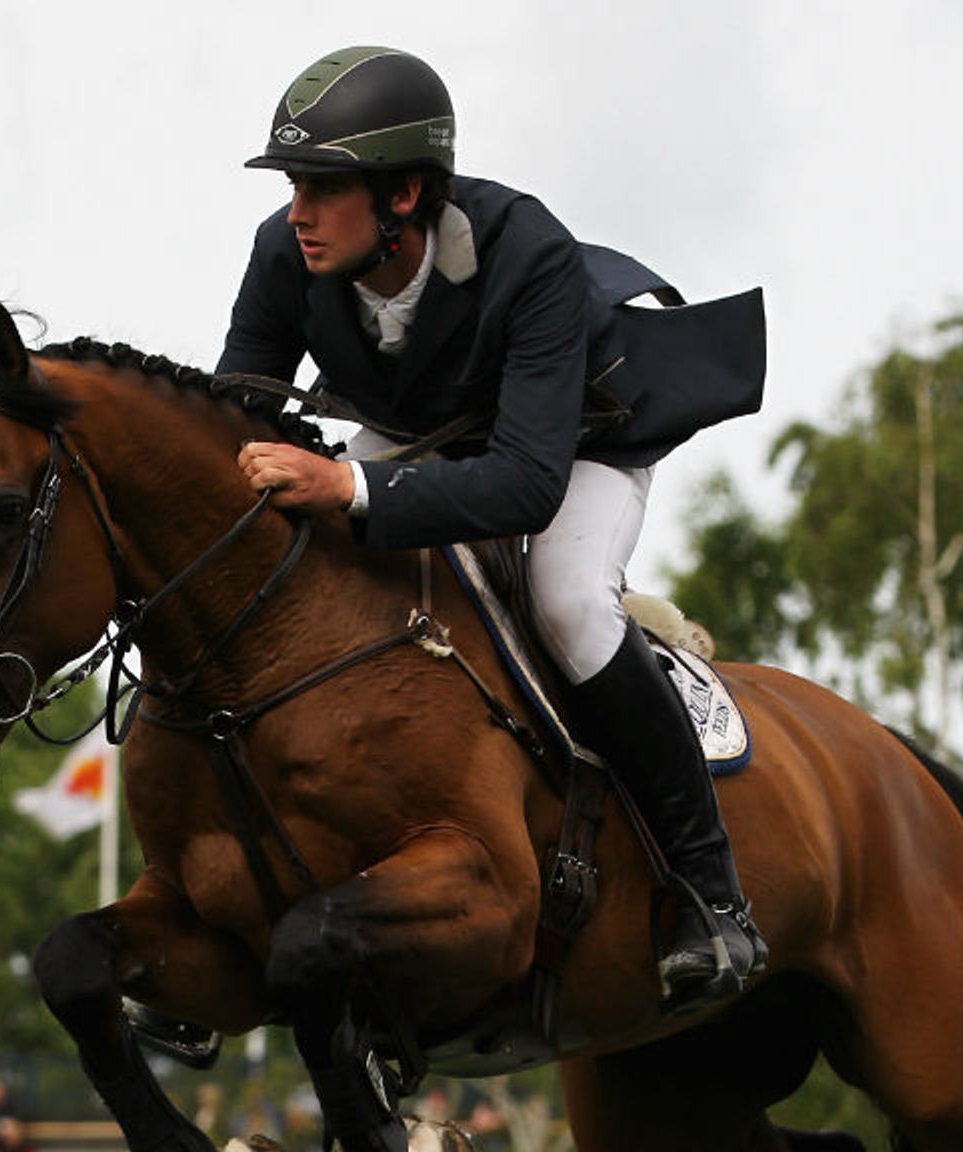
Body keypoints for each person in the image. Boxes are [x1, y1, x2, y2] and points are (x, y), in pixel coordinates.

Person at [218, 45, 767, 1010]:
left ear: (406, 197)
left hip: (578, 440)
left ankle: (710, 894)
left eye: (324, 187)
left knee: (566, 602)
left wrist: (347, 487)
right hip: (423, 421)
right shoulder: (284, 251)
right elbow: (241, 408)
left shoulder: (531, 254)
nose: (298, 210)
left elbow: (521, 485)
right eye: (296, 184)